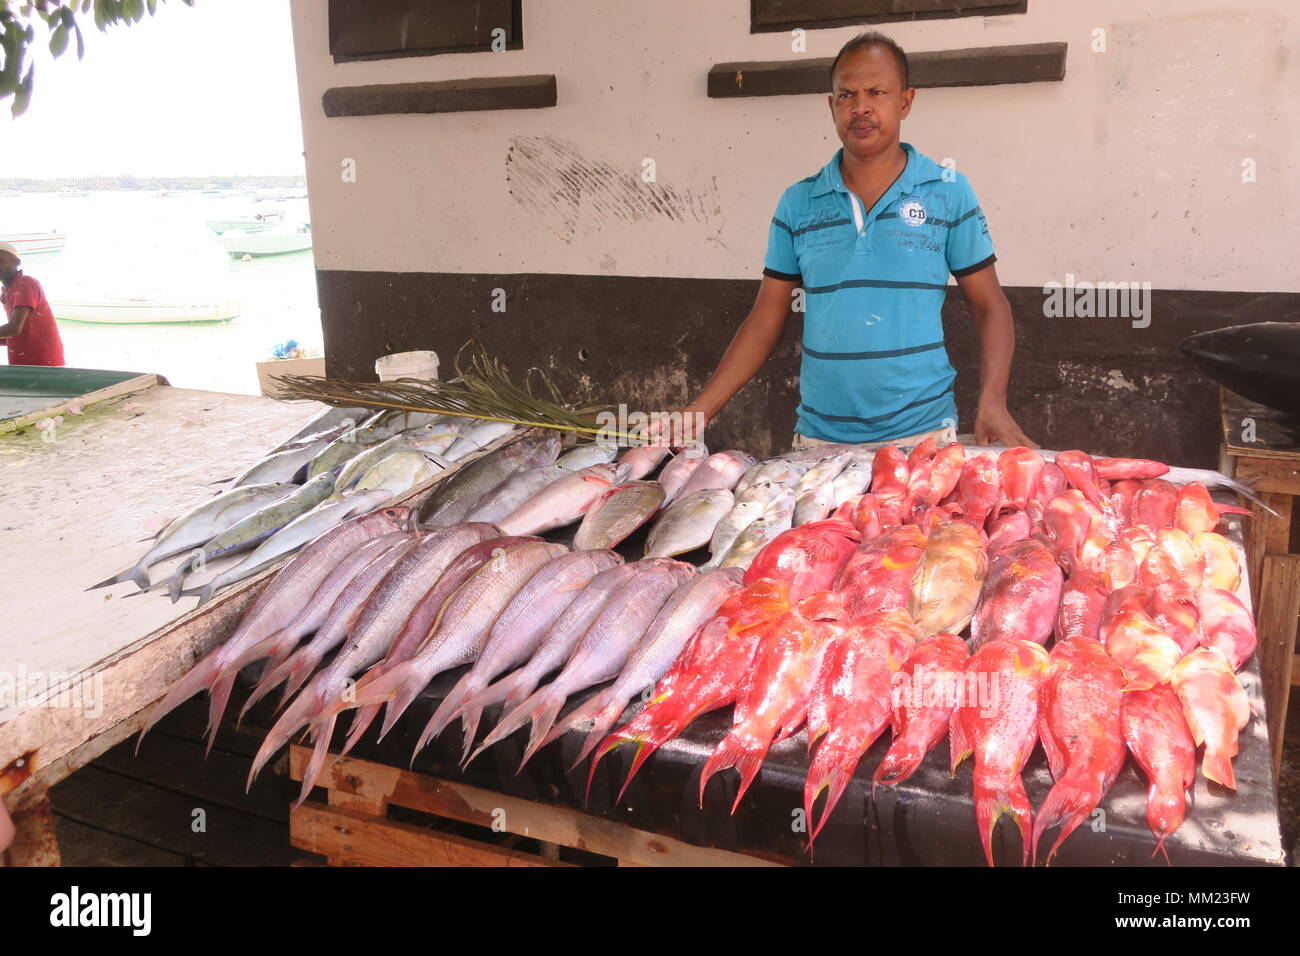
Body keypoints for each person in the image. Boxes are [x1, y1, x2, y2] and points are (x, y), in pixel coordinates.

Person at [673, 31, 1035, 451]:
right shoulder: (798, 203)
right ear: (831, 107)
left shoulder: (948, 192)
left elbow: (991, 306)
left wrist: (993, 401)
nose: (860, 107)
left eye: (876, 92)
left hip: (923, 439)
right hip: (820, 444)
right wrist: (698, 412)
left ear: (905, 101)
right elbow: (765, 319)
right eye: (846, 95)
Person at [0, 241, 66, 367]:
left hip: (44, 365)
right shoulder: (7, 291)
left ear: (17, 262)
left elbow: (14, 328)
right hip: (26, 364)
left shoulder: (26, 283)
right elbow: (17, 333)